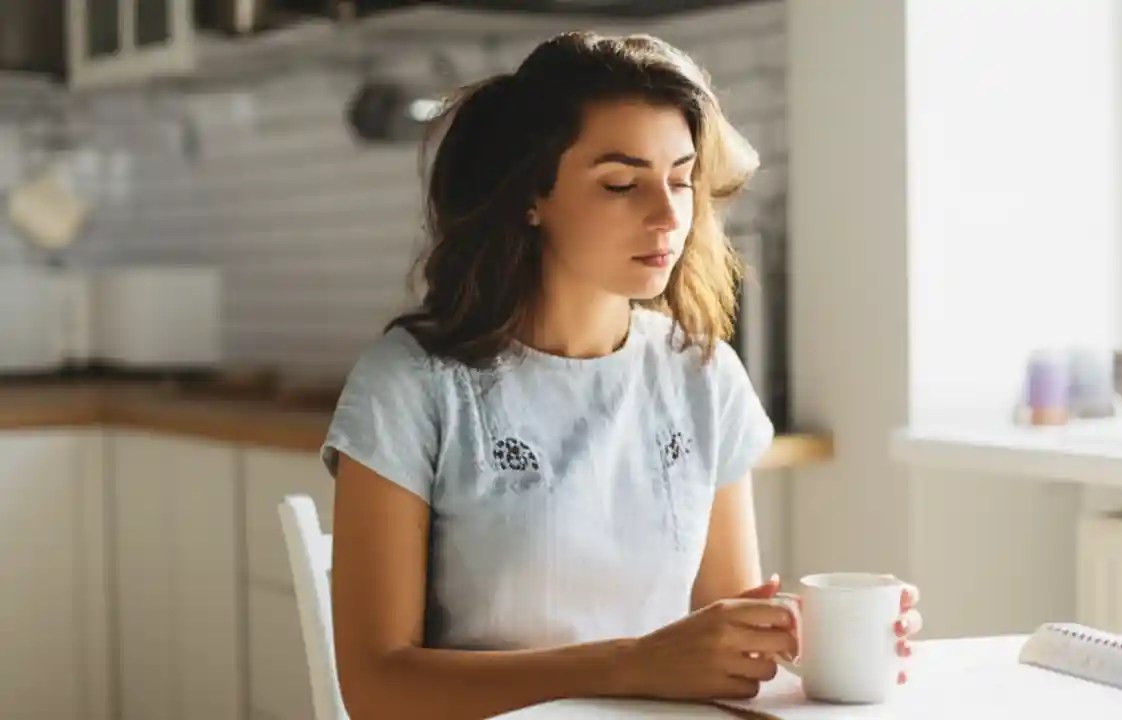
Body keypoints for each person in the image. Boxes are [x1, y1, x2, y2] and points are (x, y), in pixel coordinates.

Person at [320, 30, 921, 719]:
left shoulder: (704, 376)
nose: (668, 215)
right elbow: (376, 689)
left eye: (681, 179)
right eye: (620, 184)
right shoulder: (411, 385)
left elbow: (724, 629)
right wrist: (633, 664)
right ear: (530, 197)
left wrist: (817, 636)